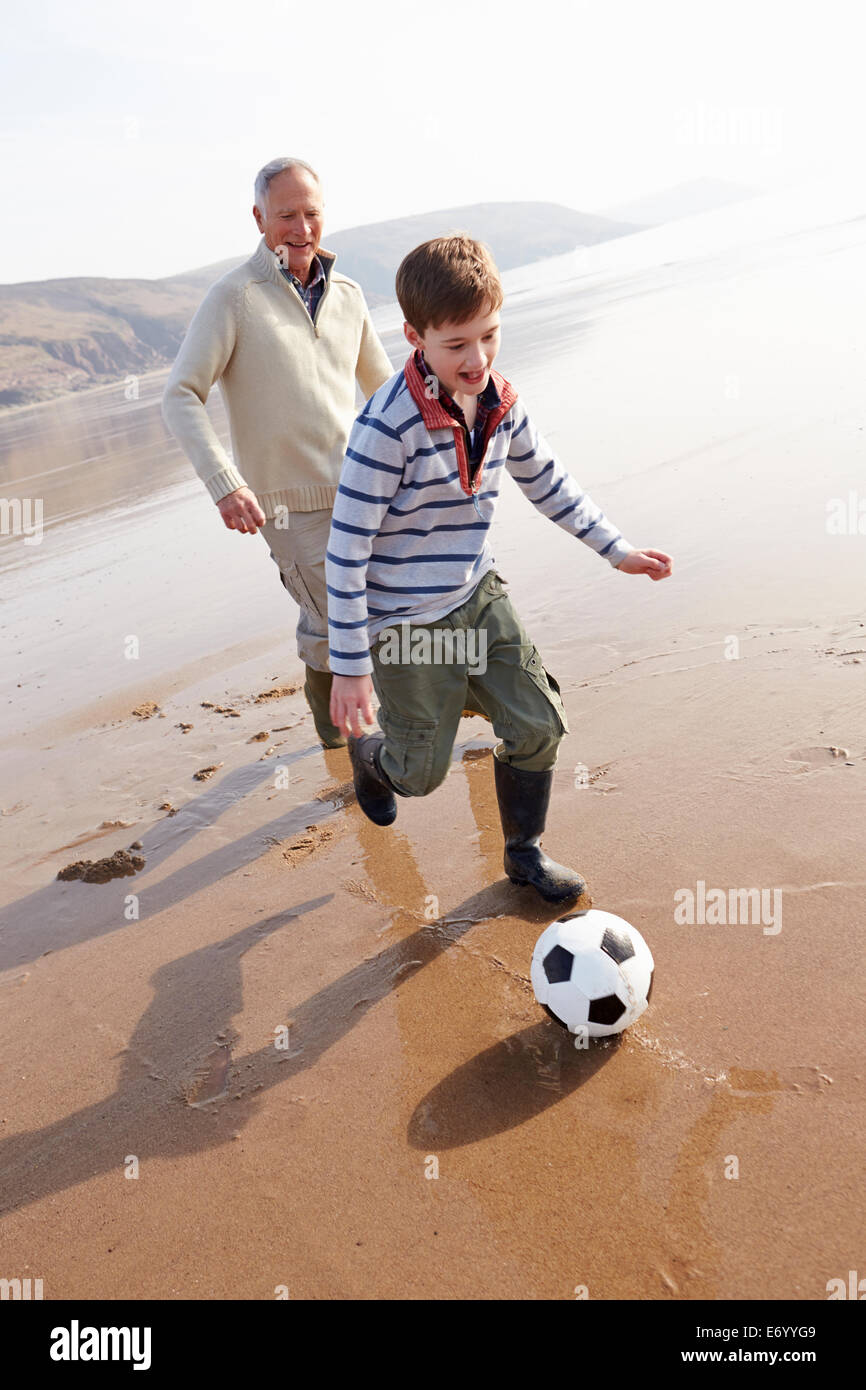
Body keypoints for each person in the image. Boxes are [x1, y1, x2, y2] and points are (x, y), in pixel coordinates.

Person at [325, 233, 673, 905]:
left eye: (489, 336)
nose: (477, 359)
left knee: (539, 721)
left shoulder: (500, 402)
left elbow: (547, 480)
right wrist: (349, 663)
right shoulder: (384, 431)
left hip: (477, 592)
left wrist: (616, 549)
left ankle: (525, 854)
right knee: (421, 775)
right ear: (415, 336)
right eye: (456, 345)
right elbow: (346, 551)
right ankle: (371, 762)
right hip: (404, 622)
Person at [161, 157, 393, 747]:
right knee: (342, 622)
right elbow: (181, 395)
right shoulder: (234, 297)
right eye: (286, 214)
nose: (301, 227)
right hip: (287, 507)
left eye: (311, 213)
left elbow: (386, 393)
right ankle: (359, 749)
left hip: (363, 491)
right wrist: (225, 482)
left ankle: (339, 732)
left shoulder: (348, 294)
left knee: (357, 612)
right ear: (259, 217)